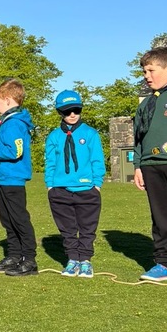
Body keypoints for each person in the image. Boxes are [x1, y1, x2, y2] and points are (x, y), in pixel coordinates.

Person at [0, 78, 37, 276]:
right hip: (3, 177)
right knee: (7, 219)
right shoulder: (8, 123)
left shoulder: (13, 124)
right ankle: (13, 256)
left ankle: (29, 260)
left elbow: (14, 152)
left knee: (19, 219)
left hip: (13, 180)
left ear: (9, 100)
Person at [43, 89, 105, 279]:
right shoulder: (54, 136)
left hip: (87, 190)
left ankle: (85, 261)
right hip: (60, 190)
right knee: (68, 229)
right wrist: (50, 185)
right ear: (59, 112)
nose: (72, 115)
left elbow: (97, 160)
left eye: (76, 110)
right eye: (67, 111)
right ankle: (72, 260)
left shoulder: (91, 134)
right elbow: (50, 161)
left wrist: (97, 184)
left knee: (87, 228)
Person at [133, 46, 167, 284]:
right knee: (161, 217)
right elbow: (138, 138)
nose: (146, 75)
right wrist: (138, 165)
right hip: (151, 165)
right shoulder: (145, 104)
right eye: (144, 71)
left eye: (151, 70)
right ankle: (164, 263)